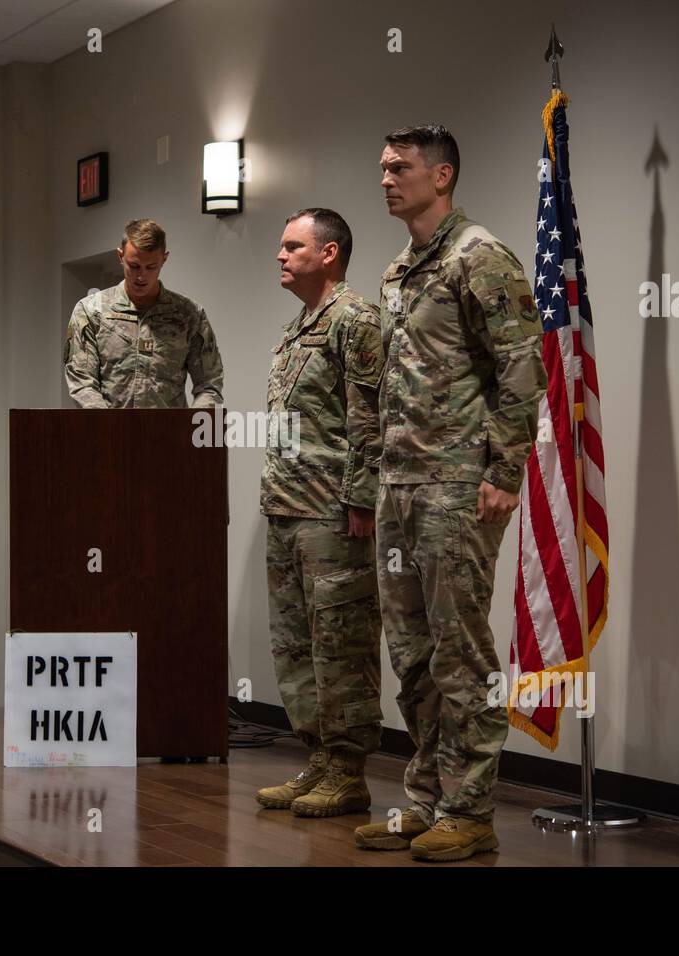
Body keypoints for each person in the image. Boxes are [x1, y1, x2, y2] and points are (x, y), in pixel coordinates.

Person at [353, 125, 547, 861]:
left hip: (457, 487)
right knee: (411, 653)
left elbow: (521, 366)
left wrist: (504, 472)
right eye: (382, 167)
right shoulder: (399, 269)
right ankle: (426, 801)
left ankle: (470, 810)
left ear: (443, 177)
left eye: (399, 168)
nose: (386, 179)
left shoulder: (481, 257)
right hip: (399, 485)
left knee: (460, 653)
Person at [256, 208, 386, 817]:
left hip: (333, 512)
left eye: (292, 247)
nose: (280, 257)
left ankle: (349, 768)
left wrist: (360, 499)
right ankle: (319, 759)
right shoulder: (296, 327)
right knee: (295, 644)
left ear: (329, 253)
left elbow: (370, 418)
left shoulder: (354, 320)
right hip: (286, 508)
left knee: (342, 641)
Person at [63, 218, 225, 408]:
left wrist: (189, 427)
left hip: (170, 434)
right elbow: (82, 383)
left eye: (151, 267)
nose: (142, 276)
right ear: (120, 256)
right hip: (108, 433)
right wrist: (109, 428)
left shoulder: (189, 315)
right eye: (134, 266)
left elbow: (209, 383)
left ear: (164, 259)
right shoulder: (91, 311)